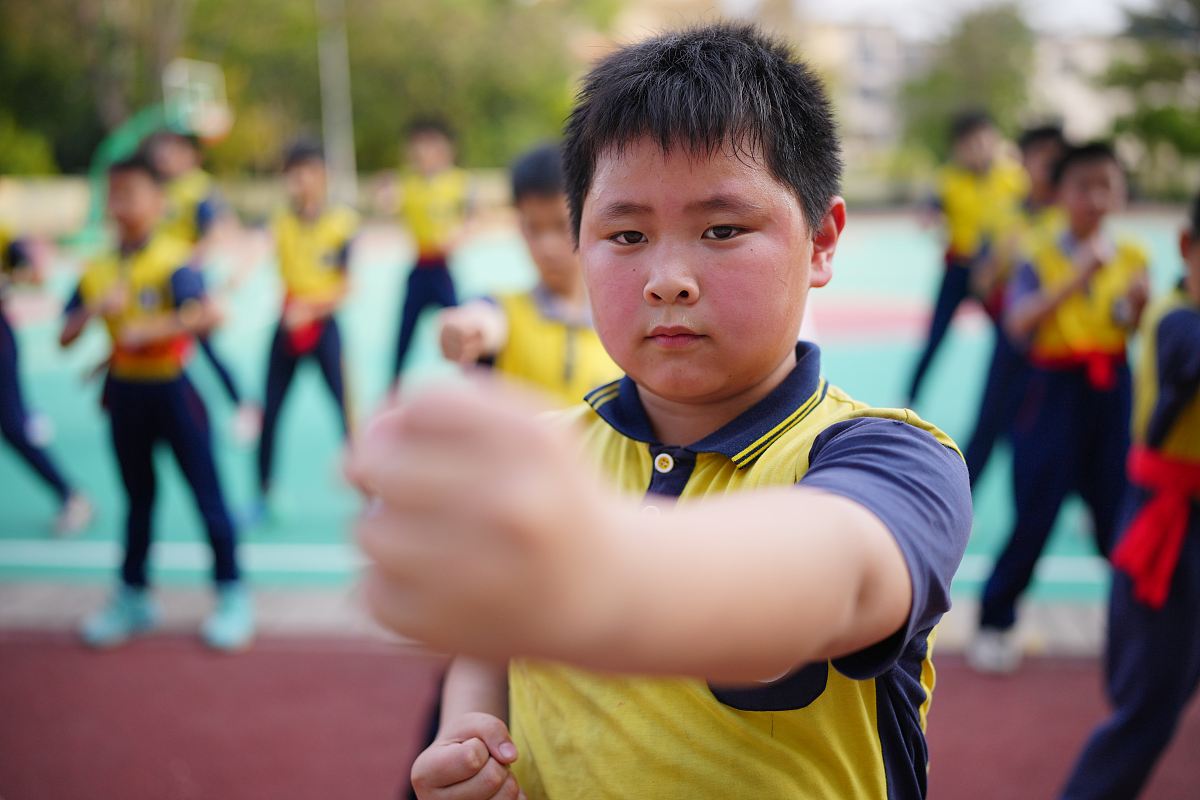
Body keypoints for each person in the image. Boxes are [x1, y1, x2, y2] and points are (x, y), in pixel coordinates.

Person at [352, 24, 972, 800]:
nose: (667, 278)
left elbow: (836, 574)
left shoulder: (892, 460)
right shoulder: (557, 455)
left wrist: (591, 557)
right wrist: (468, 728)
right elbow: (492, 644)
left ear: (820, 241)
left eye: (722, 229)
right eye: (626, 234)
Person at [969, 142, 1151, 674]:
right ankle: (995, 620)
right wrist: (1077, 276)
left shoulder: (1132, 255)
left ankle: (1133, 625)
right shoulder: (1039, 249)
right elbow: (1018, 322)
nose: (1095, 198)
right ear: (1062, 193)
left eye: (1106, 186)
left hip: (1111, 388)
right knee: (1036, 510)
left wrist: (1136, 309)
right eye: (1083, 187)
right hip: (1052, 390)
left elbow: (1124, 324)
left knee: (1118, 514)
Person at [60, 154, 252, 651]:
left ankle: (231, 593)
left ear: (157, 200)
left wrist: (153, 329)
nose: (120, 203)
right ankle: (133, 596)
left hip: (173, 389)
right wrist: (93, 310)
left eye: (131, 192)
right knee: (137, 499)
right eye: (113, 193)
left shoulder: (172, 259)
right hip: (125, 395)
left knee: (207, 494)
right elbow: (64, 335)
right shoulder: (99, 267)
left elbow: (208, 314)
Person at [1059, 191, 1200, 800]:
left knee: (1161, 683)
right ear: (1188, 248)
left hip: (1171, 511)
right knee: (1148, 704)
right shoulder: (1178, 321)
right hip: (1172, 520)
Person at [437, 142, 619, 406]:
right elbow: (485, 319)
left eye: (561, 225)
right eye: (533, 228)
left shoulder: (621, 326)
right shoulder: (508, 312)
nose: (547, 246)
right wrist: (467, 328)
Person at [253, 141, 357, 521]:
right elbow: (257, 257)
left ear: (324, 175)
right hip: (286, 327)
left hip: (323, 327)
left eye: (309, 171)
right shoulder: (279, 221)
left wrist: (310, 308)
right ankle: (264, 492)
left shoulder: (342, 223)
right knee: (270, 411)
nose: (301, 180)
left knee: (345, 410)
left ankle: (369, 489)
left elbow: (346, 286)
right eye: (293, 173)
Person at [962, 124, 1068, 486]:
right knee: (987, 427)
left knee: (1060, 438)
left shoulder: (1072, 219)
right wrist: (996, 265)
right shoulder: (1003, 215)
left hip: (1062, 348)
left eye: (1058, 157)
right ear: (1023, 160)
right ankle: (958, 502)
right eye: (1044, 156)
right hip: (1012, 343)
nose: (1052, 165)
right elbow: (978, 283)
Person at [142, 129, 259, 442]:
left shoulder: (197, 189)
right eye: (162, 150)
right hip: (156, 281)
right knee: (163, 349)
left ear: (190, 155)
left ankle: (243, 406)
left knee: (204, 347)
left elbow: (216, 231)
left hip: (185, 283)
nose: (165, 157)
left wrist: (190, 260)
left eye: (173, 150)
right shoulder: (157, 187)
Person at [906, 110, 1028, 405]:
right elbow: (929, 209)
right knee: (935, 338)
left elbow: (1029, 218)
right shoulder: (948, 179)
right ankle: (908, 399)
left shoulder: (1014, 178)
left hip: (995, 273)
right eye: (969, 144)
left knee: (1010, 339)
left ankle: (1013, 402)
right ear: (957, 149)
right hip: (959, 268)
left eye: (984, 140)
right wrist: (929, 216)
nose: (978, 149)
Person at [0, 225, 93, 534]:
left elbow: (36, 276)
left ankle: (71, 495)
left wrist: (11, 280)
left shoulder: (4, 235)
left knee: (13, 425)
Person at [391, 119, 473, 389]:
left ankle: (473, 381)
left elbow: (471, 217)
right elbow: (390, 202)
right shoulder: (409, 185)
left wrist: (458, 235)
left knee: (459, 328)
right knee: (404, 334)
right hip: (420, 267)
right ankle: (393, 386)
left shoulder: (456, 182)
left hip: (442, 269)